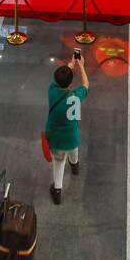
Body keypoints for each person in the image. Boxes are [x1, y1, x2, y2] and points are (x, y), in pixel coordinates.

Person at [45, 57, 88, 206]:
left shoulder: (52, 91)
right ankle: (75, 167)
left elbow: (58, 81)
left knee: (58, 163)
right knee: (74, 151)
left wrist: (70, 65)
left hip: (57, 139)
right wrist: (81, 66)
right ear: (71, 84)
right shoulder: (76, 97)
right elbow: (86, 85)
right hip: (72, 136)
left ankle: (57, 191)